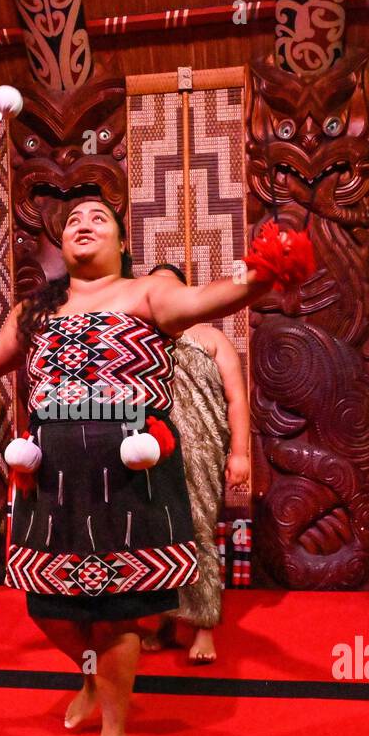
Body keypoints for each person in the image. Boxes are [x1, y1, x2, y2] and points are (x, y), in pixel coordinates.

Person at [0, 192, 281, 736]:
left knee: (121, 615)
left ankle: (114, 735)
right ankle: (94, 676)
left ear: (122, 244)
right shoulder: (35, 308)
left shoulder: (149, 291)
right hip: (54, 478)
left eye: (99, 217)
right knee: (46, 607)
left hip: (130, 477)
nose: (84, 223)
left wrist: (261, 277)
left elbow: (208, 298)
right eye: (73, 219)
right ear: (62, 245)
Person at [141, 263, 250, 664]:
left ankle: (204, 627)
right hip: (155, 452)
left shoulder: (209, 336)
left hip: (204, 450)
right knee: (160, 536)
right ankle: (167, 622)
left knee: (199, 533)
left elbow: (237, 398)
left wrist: (239, 453)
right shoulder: (143, 340)